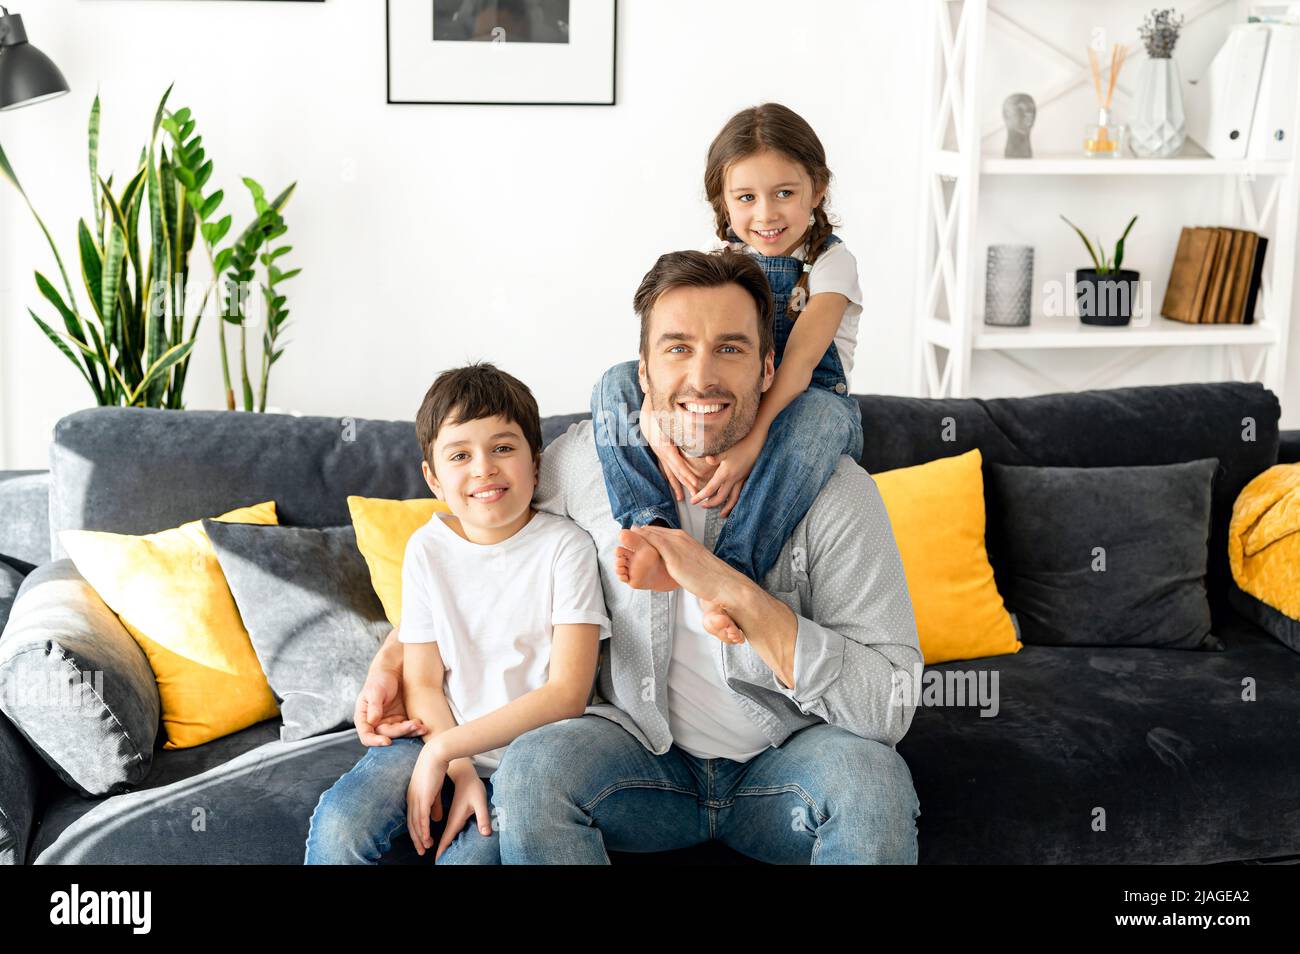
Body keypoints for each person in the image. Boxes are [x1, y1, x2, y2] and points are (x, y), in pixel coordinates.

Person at [304, 362, 611, 864]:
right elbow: (422, 682)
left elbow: (567, 694)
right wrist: (458, 764)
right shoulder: (427, 548)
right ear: (434, 479)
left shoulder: (566, 548)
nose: (484, 468)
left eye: (503, 448)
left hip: (529, 763)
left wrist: (446, 754)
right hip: (439, 733)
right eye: (460, 455)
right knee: (342, 824)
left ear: (537, 463)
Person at [591, 103, 865, 643]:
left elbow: (798, 365)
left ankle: (732, 570)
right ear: (723, 202)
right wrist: (655, 427)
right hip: (735, 397)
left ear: (818, 189)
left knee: (813, 413)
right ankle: (658, 534)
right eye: (746, 197)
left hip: (808, 404)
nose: (767, 213)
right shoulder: (723, 262)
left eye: (785, 192)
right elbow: (668, 356)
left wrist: (750, 442)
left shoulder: (833, 263)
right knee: (613, 382)